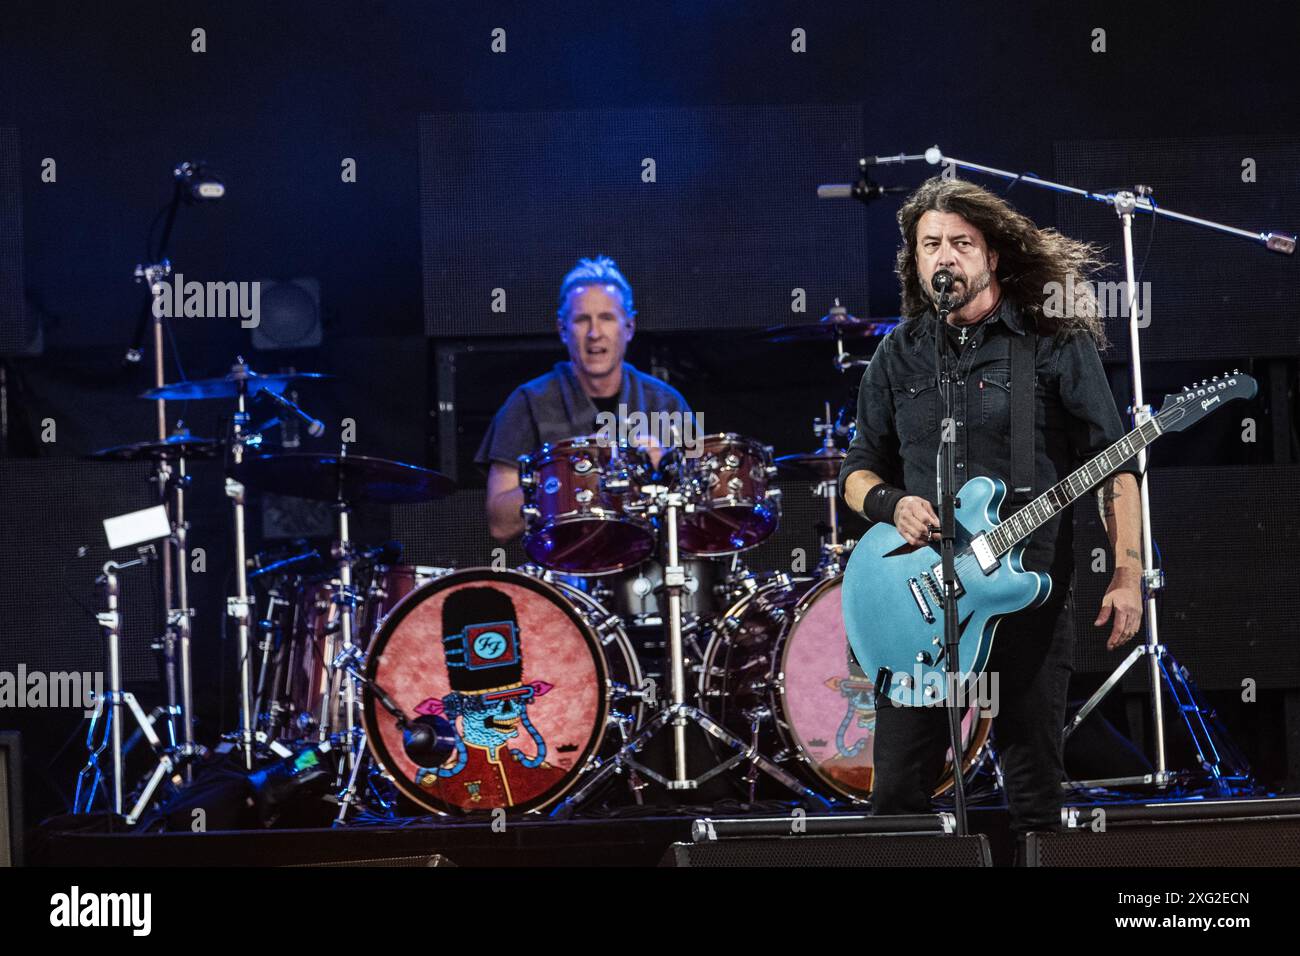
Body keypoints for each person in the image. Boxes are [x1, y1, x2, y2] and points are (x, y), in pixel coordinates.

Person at [838, 176, 1145, 839]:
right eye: (929, 246)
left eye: (960, 243)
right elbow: (855, 474)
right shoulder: (898, 354)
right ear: (913, 260)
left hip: (1028, 602)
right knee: (896, 797)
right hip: (923, 609)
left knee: (1034, 790)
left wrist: (1127, 575)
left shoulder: (1052, 341)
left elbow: (1115, 465)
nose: (943, 257)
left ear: (994, 256)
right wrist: (892, 504)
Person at [476, 255, 693, 542]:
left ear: (629, 327)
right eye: (581, 320)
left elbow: (700, 510)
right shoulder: (528, 402)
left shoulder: (666, 402)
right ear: (562, 329)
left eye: (606, 318)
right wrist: (569, 476)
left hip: (652, 573)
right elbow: (499, 524)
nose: (594, 333)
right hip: (563, 573)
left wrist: (664, 471)